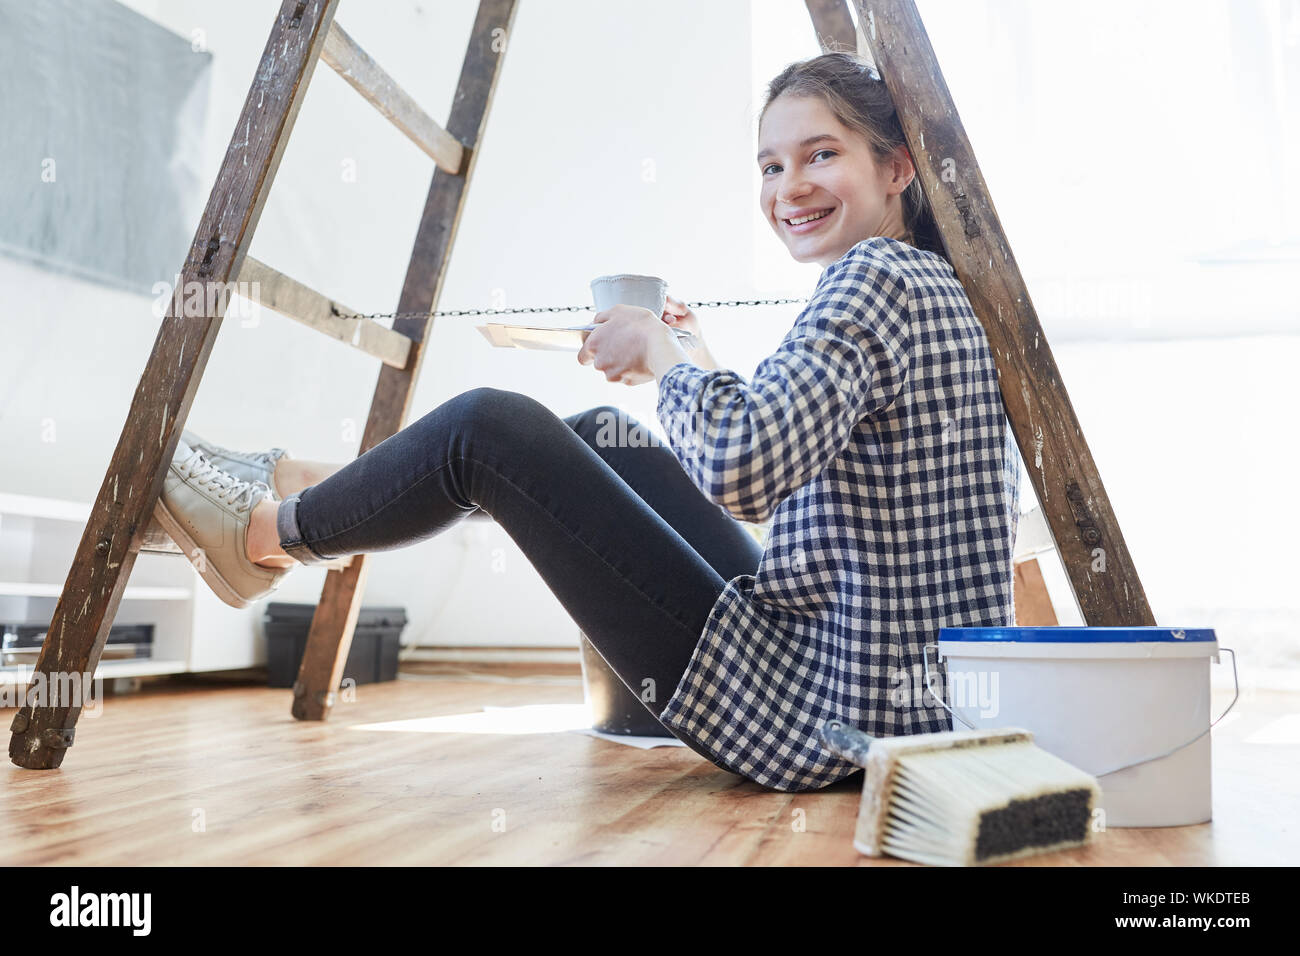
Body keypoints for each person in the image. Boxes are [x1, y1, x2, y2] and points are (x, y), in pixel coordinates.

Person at [153, 52, 1020, 793]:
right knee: (604, 432)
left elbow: (745, 470)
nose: (788, 187)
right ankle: (313, 489)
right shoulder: (912, 281)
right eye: (769, 165)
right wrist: (691, 353)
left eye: (819, 156)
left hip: (822, 706)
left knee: (489, 430)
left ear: (897, 169)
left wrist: (662, 355)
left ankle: (262, 535)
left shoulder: (873, 280)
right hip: (867, 675)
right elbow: (780, 464)